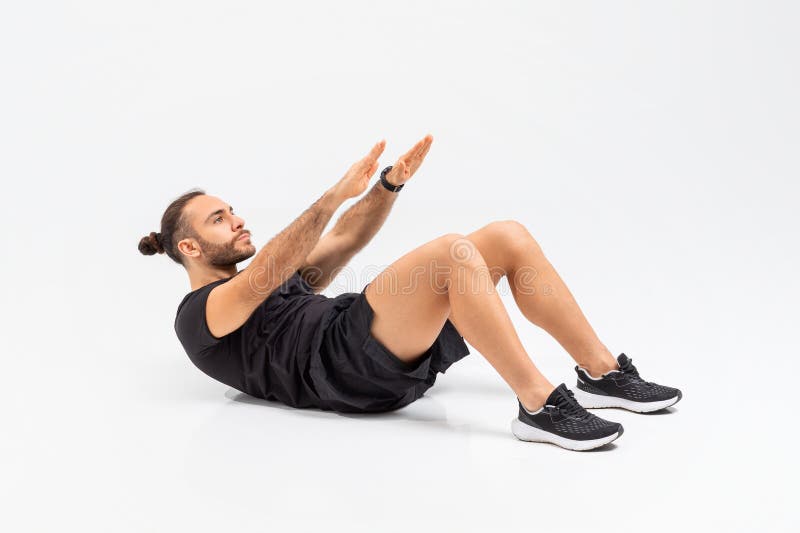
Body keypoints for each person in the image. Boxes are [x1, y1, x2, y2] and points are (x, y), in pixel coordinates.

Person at [138, 134, 681, 451]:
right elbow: (264, 275)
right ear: (188, 247)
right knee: (451, 250)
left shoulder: (276, 283)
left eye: (231, 210)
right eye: (218, 218)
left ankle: (601, 374)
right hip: (343, 368)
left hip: (365, 343)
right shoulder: (199, 316)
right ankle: (537, 405)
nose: (236, 220)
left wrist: (388, 185)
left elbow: (347, 236)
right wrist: (330, 196)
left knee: (504, 237)